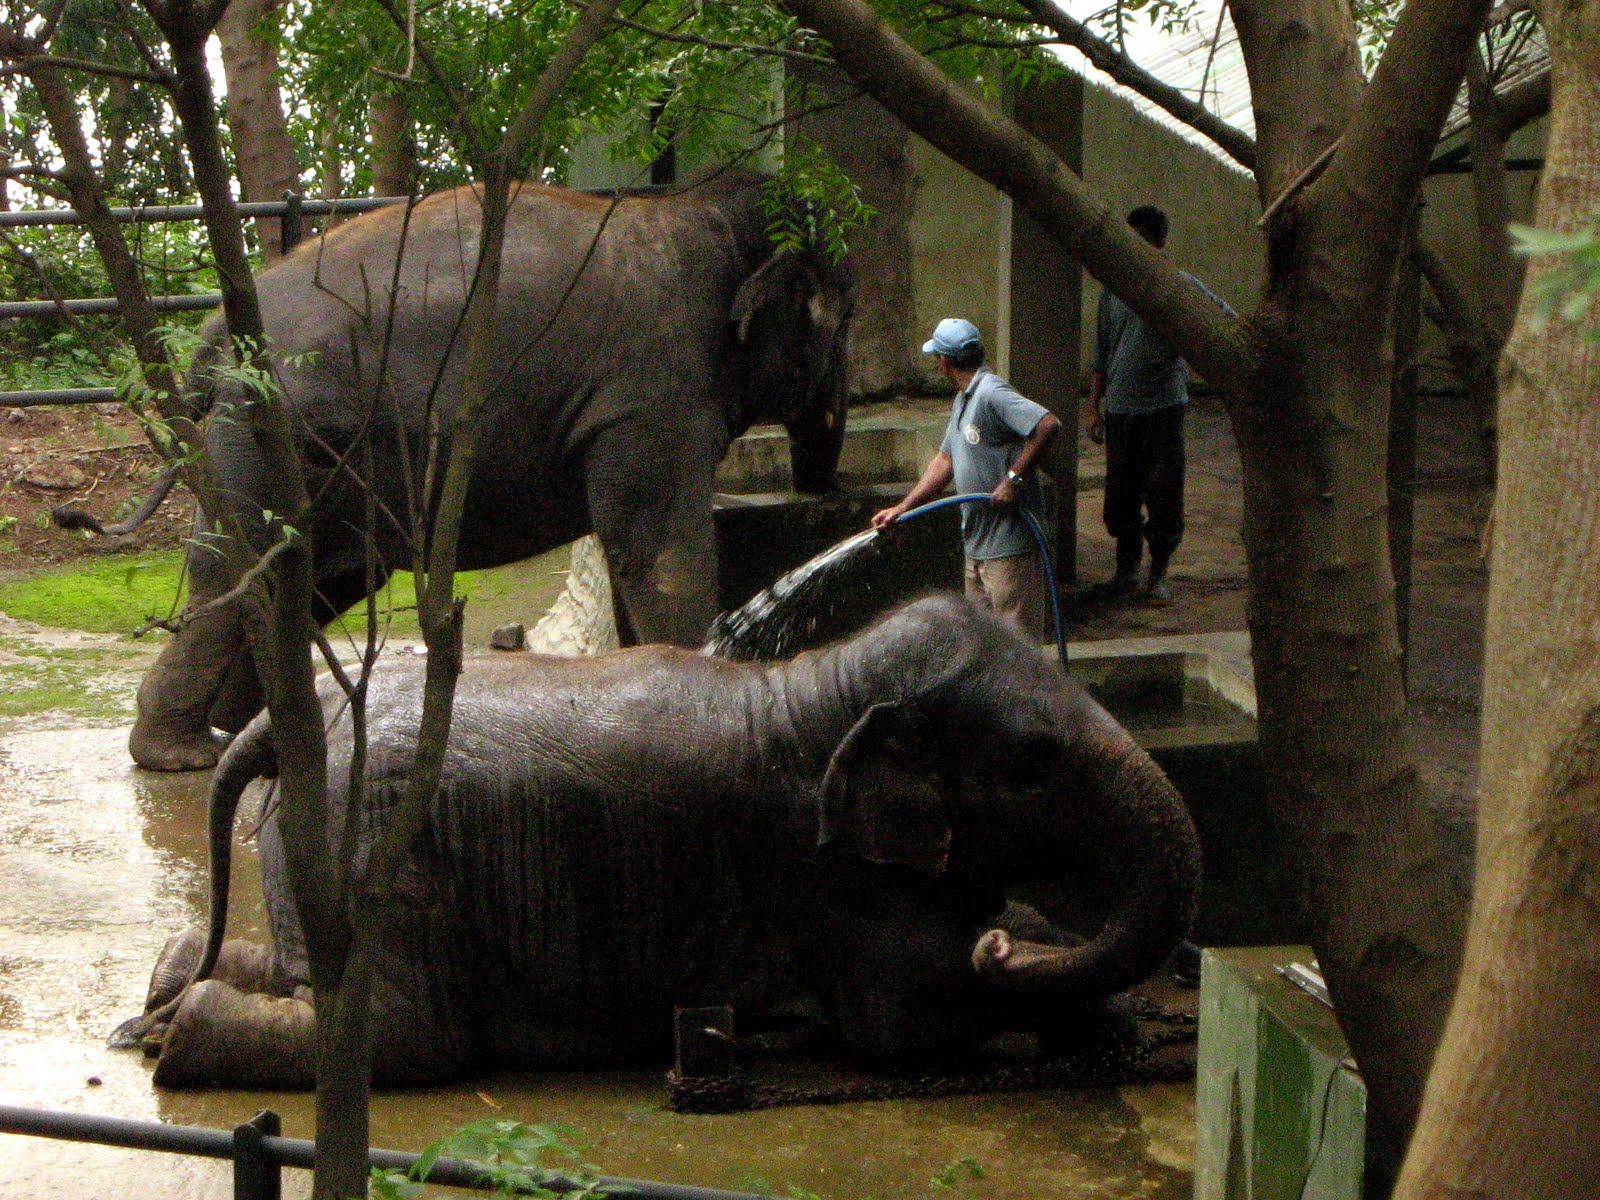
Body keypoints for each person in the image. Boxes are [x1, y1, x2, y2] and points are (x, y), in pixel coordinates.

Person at [872, 318, 1062, 644]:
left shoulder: (991, 393)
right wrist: (904, 507)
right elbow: (945, 461)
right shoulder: (964, 399)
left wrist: (1013, 479)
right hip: (977, 547)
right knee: (981, 647)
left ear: (944, 362)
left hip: (1009, 549)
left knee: (1018, 647)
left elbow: (1048, 424)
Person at [1087, 205, 1234, 605]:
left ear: (1161, 244)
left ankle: (1158, 575)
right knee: (1120, 497)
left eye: (1143, 242)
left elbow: (1223, 319)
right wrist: (1094, 406)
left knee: (1164, 493)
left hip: (1163, 409)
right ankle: (1126, 572)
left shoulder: (1179, 286)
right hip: (1121, 409)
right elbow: (1102, 351)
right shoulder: (1113, 290)